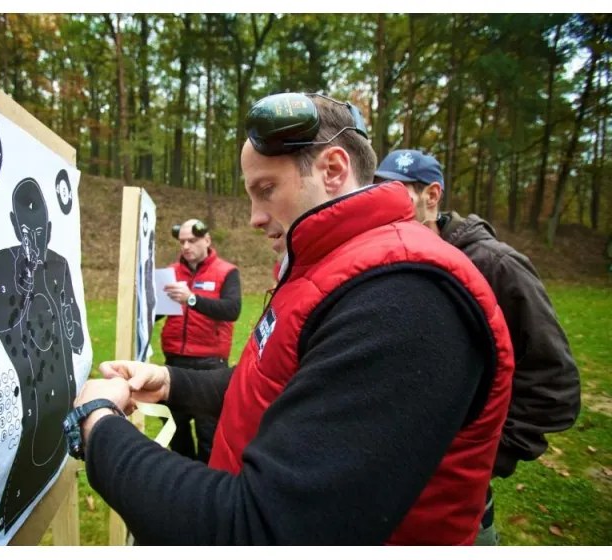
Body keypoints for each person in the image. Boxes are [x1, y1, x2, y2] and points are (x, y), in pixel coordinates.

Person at [66, 92, 515, 544]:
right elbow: (276, 381)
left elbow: (263, 531)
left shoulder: (403, 296)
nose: (255, 218)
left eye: (266, 190)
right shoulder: (333, 268)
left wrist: (98, 425)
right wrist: (171, 383)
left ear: (333, 171)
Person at [374, 149, 581, 545]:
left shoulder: (497, 265)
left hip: (457, 500)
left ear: (432, 195)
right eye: (380, 190)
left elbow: (555, 384)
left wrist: (487, 457)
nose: (388, 201)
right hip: (390, 487)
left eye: (400, 191)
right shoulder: (393, 255)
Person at [0, 177, 84, 533]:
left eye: (40, 231)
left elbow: (76, 335)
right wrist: (21, 291)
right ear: (14, 226)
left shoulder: (58, 265)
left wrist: (68, 319)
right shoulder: (4, 264)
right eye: (26, 230)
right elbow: (0, 320)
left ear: (51, 228)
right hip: (29, 420)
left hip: (62, 417)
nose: (34, 240)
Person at [160, 218, 241, 463]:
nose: (186, 246)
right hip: (174, 361)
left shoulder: (227, 272)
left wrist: (192, 299)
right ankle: (184, 485)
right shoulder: (171, 273)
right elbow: (158, 313)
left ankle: (209, 488)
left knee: (210, 435)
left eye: (192, 241)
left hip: (210, 365)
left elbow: (232, 309)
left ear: (206, 240)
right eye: (182, 241)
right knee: (177, 431)